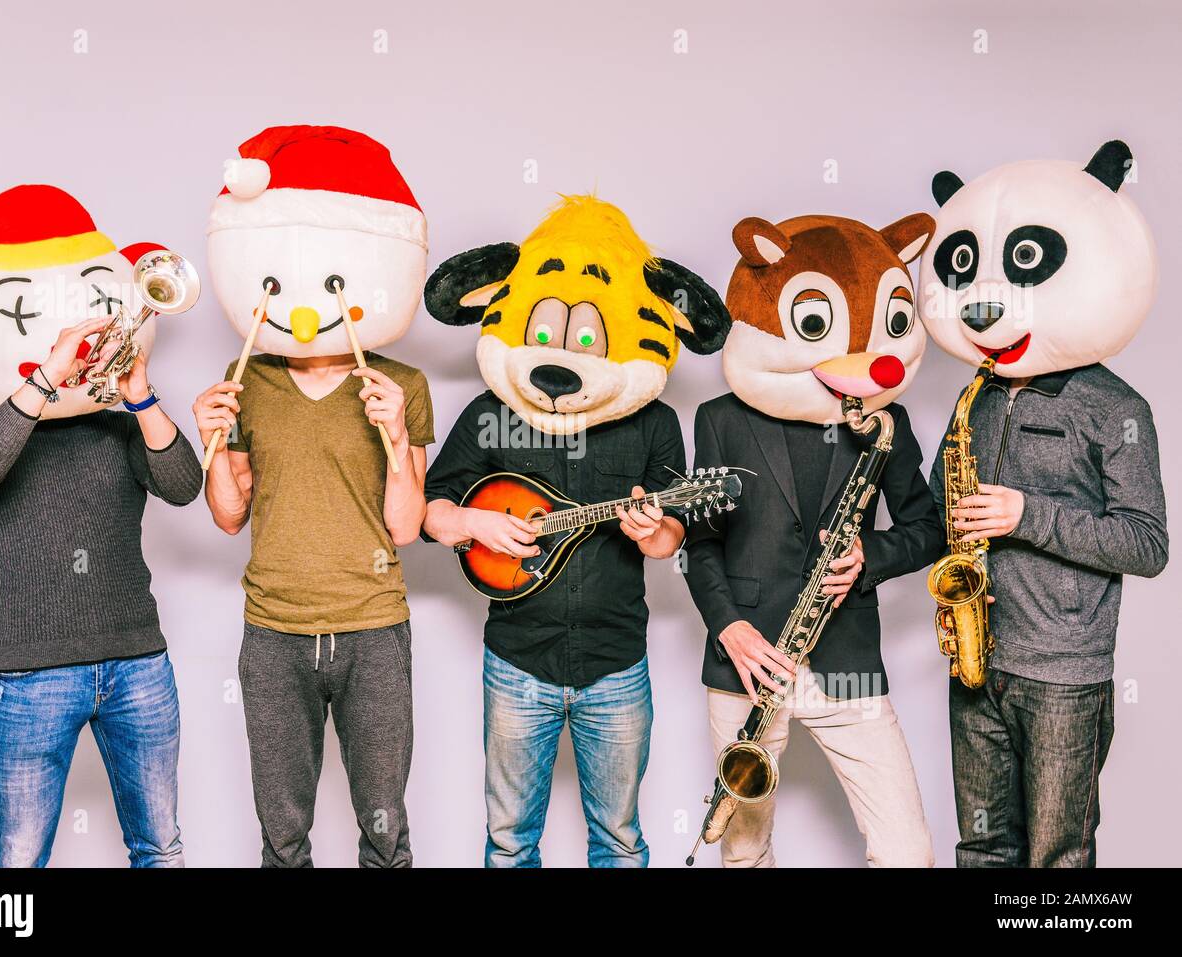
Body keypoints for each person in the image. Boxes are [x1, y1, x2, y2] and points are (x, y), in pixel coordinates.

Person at [0, 184, 202, 866]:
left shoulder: (122, 430)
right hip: (32, 675)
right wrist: (47, 376)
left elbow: (183, 484)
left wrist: (141, 394)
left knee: (162, 844)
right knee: (19, 854)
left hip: (139, 662)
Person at [421, 195, 731, 866]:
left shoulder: (651, 423)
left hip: (616, 665)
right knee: (509, 842)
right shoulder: (489, 411)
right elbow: (431, 511)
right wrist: (475, 519)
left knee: (619, 840)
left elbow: (672, 534)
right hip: (516, 660)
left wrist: (655, 533)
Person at [918, 140, 1168, 867]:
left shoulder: (1116, 406)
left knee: (1058, 856)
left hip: (1064, 675)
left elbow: (1148, 544)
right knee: (983, 847)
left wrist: (1027, 515)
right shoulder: (977, 396)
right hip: (977, 661)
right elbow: (943, 502)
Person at [195, 125, 432, 867]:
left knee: (386, 831)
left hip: (373, 628)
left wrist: (395, 438)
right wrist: (212, 443)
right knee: (282, 836)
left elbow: (406, 527)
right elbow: (230, 514)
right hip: (273, 634)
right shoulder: (249, 383)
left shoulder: (402, 386)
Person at [685, 211, 942, 867]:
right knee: (745, 851)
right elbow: (698, 543)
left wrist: (868, 558)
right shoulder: (719, 419)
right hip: (748, 662)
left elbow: (927, 527)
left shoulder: (886, 421)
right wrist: (727, 626)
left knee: (906, 851)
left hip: (845, 654)